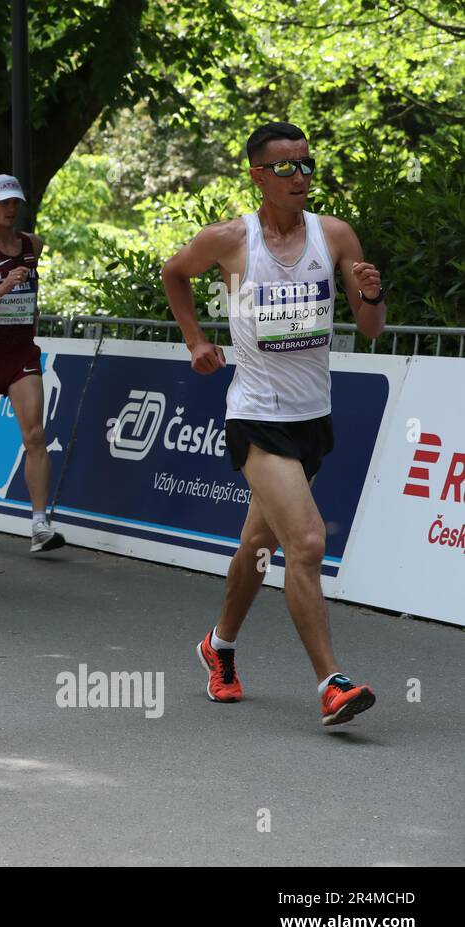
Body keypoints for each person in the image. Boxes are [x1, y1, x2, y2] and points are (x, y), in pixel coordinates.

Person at [161, 121, 384, 727]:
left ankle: (219, 646)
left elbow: (371, 328)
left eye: (307, 165)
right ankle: (331, 684)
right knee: (306, 543)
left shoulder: (332, 235)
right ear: (258, 175)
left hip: (313, 418)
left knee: (256, 546)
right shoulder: (231, 242)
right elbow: (173, 274)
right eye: (286, 167)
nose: (301, 177)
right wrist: (195, 339)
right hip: (256, 415)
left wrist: (369, 293)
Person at [0, 175, 65, 553]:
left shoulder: (32, 245)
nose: (10, 209)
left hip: (21, 352)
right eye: (3, 202)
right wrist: (2, 288)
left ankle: (39, 524)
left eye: (15, 201)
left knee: (35, 434)